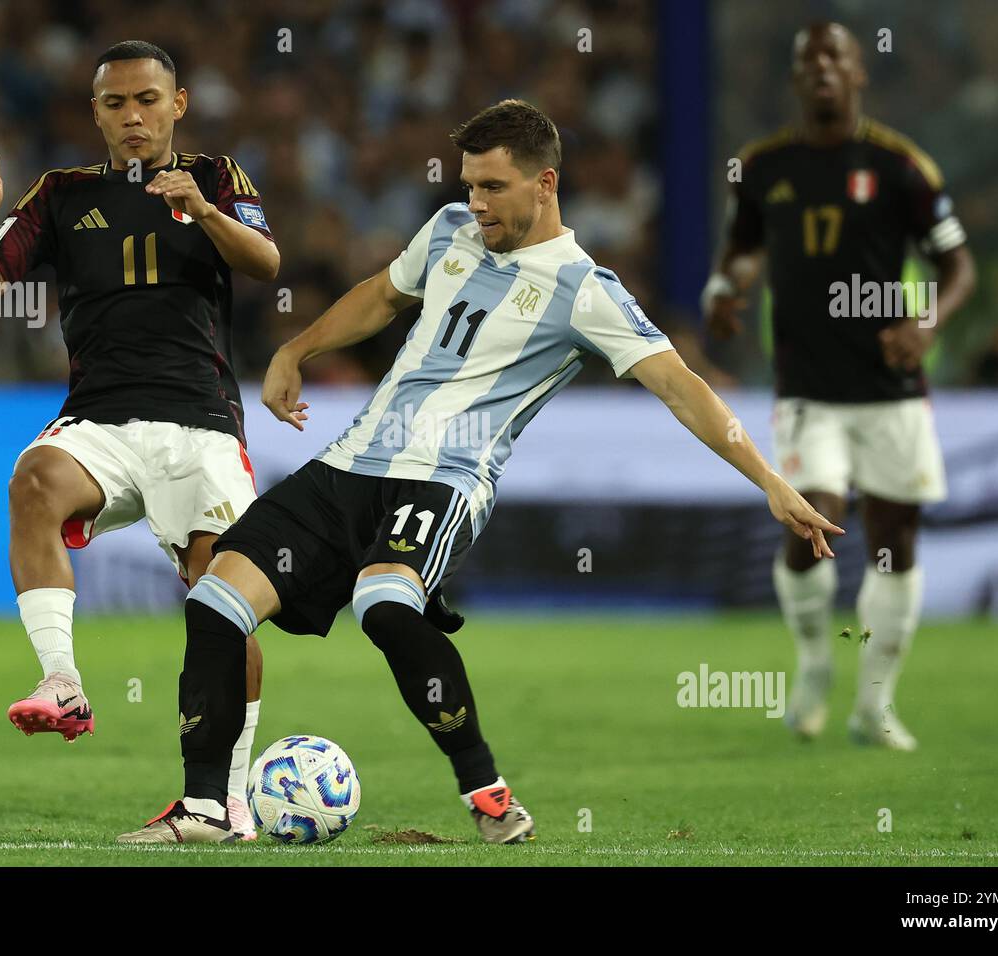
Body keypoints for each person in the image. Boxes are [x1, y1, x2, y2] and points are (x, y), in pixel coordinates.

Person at [119, 99, 841, 845]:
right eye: (469, 185)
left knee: (385, 605)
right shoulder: (448, 232)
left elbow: (681, 387)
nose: (476, 203)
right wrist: (296, 350)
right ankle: (205, 807)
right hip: (349, 464)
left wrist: (772, 482)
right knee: (214, 603)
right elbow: (381, 296)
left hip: (446, 479)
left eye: (493, 187)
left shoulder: (584, 288)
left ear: (545, 183)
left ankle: (488, 795)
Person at [0, 41, 280, 837]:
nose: (132, 116)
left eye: (146, 100)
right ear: (96, 113)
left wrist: (200, 213)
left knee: (219, 601)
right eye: (114, 104)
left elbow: (268, 262)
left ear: (179, 104)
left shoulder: (217, 177)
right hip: (100, 416)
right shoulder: (63, 194)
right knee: (32, 478)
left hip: (200, 420)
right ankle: (61, 681)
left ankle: (224, 801)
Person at [703, 22, 976, 750]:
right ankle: (817, 664)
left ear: (859, 74)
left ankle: (875, 705)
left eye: (836, 58)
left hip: (891, 387)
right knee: (811, 524)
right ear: (795, 79)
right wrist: (723, 290)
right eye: (808, 60)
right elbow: (741, 251)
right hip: (806, 388)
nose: (821, 68)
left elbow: (959, 269)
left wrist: (927, 323)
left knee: (896, 541)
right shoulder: (761, 167)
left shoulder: (900, 167)